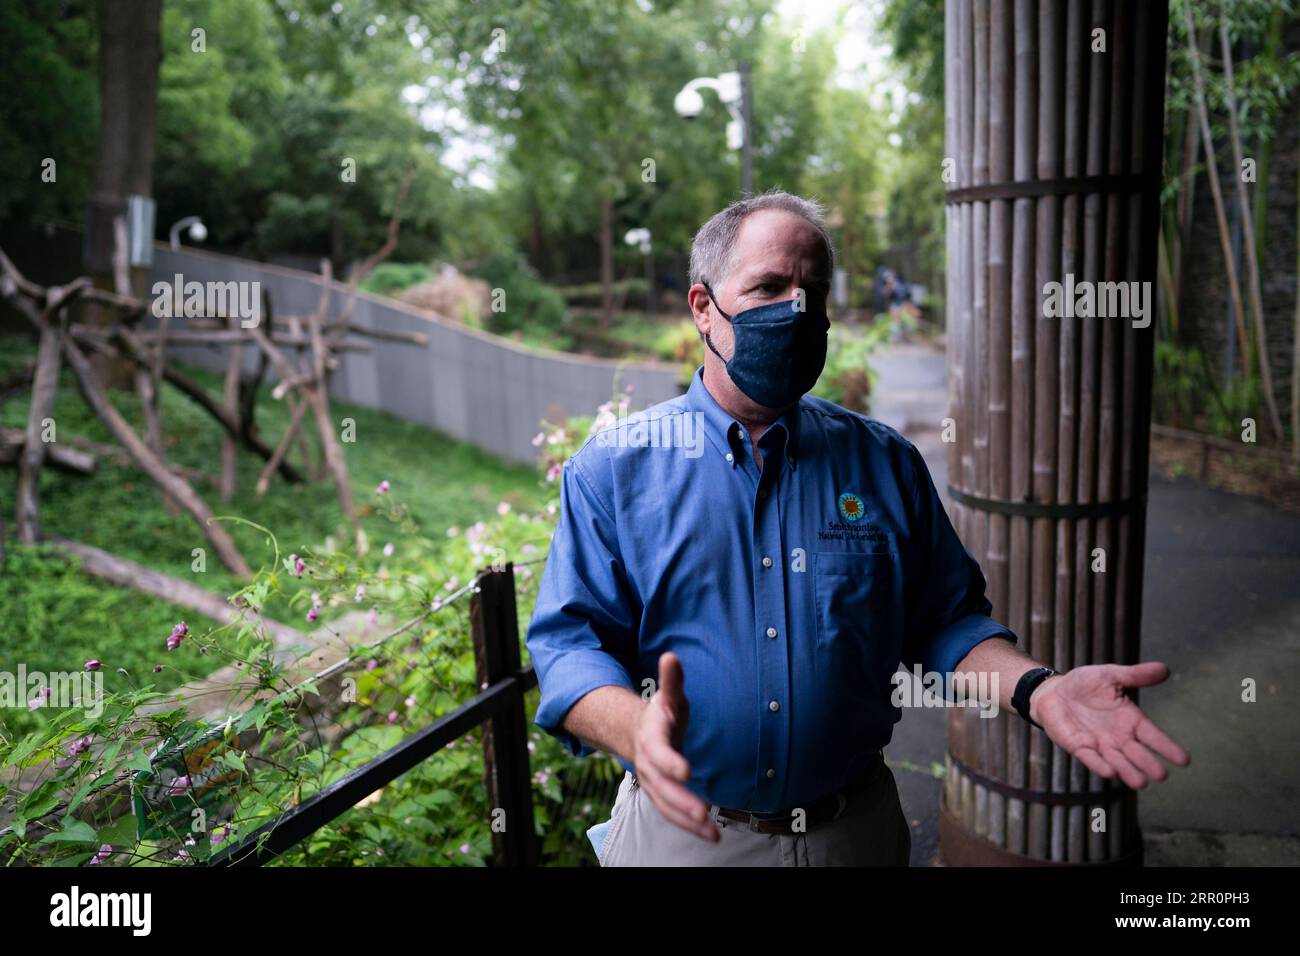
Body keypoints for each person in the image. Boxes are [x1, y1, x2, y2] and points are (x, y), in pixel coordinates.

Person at [525, 189, 1190, 866]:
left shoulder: (882, 464)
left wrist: (1037, 689)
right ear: (704, 308)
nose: (796, 309)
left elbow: (945, 621)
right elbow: (569, 646)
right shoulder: (616, 470)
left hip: (854, 835)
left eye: (813, 291)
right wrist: (634, 726)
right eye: (769, 286)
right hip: (685, 835)